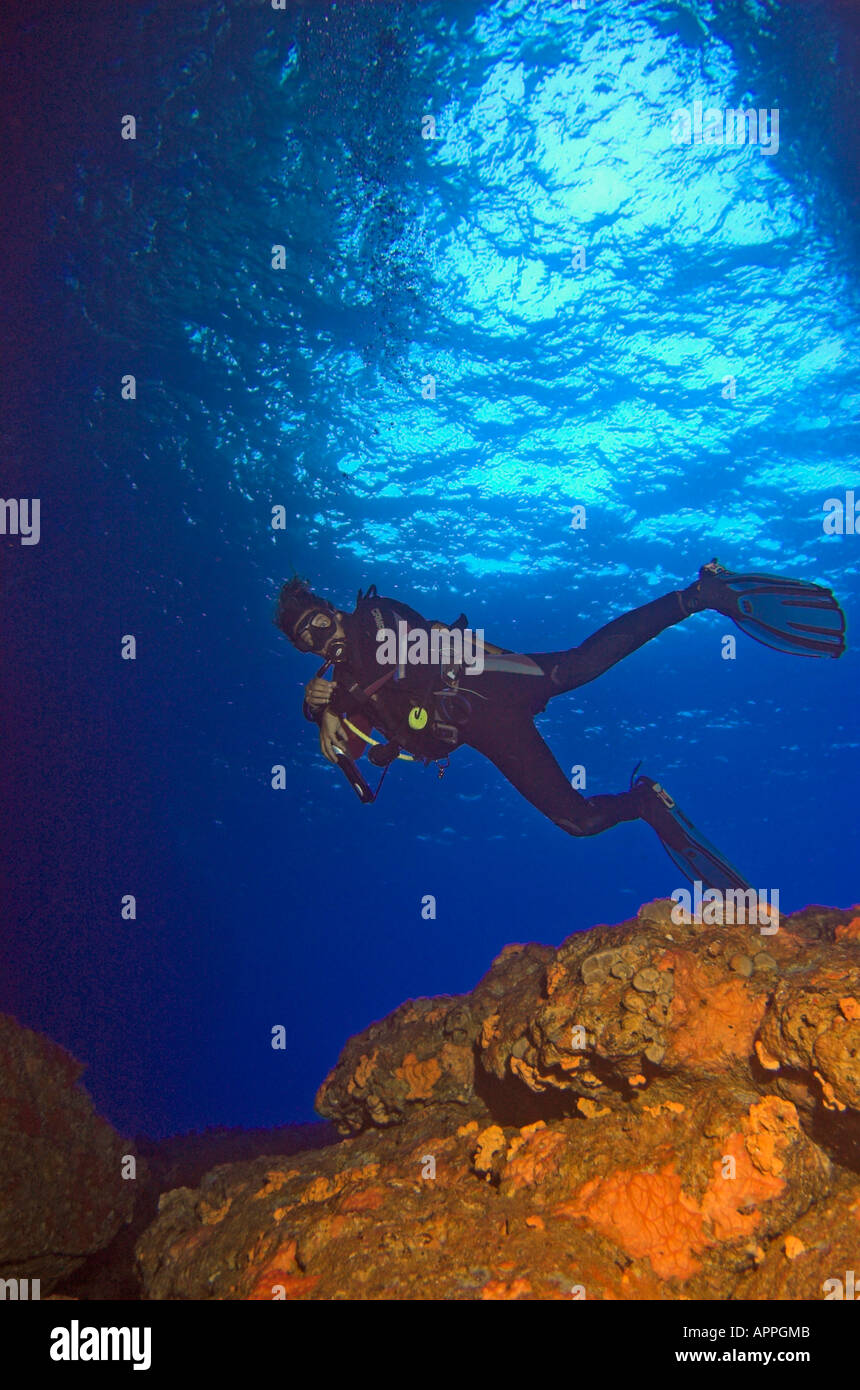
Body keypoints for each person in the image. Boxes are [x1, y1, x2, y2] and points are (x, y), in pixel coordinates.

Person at [274, 563, 845, 892]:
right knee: (578, 821)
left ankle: (701, 595)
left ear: (331, 607)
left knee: (580, 665)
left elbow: (383, 660)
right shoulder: (338, 681)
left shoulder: (373, 614)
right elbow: (379, 728)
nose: (322, 638)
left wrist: (322, 706)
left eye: (319, 622)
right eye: (308, 641)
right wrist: (325, 713)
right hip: (480, 731)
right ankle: (644, 803)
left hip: (482, 677)